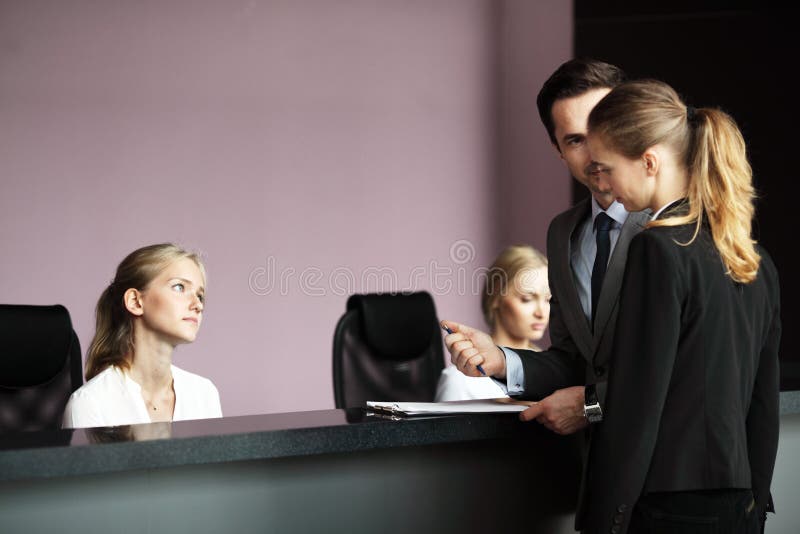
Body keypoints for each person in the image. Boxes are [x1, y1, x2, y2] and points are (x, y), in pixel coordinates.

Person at [578, 80, 779, 533]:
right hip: (739, 503)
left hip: (669, 508)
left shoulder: (657, 250)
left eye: (606, 168)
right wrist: (753, 504)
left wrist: (606, 518)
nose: (604, 185)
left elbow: (637, 403)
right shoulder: (757, 260)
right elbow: (763, 404)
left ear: (649, 162)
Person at [443, 58, 650, 436]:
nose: (595, 154)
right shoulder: (563, 233)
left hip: (674, 465)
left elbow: (692, 370)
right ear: (557, 149)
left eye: (603, 129)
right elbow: (574, 361)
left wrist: (591, 406)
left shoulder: (676, 224)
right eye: (575, 140)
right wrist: (501, 360)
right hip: (594, 468)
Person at [62, 243, 222, 429]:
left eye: (200, 296)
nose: (198, 305)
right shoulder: (90, 404)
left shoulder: (205, 394)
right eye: (179, 287)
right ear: (135, 302)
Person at [435, 245, 550, 401]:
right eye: (527, 299)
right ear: (496, 296)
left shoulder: (552, 373)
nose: (541, 312)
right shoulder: (461, 381)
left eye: (548, 300)